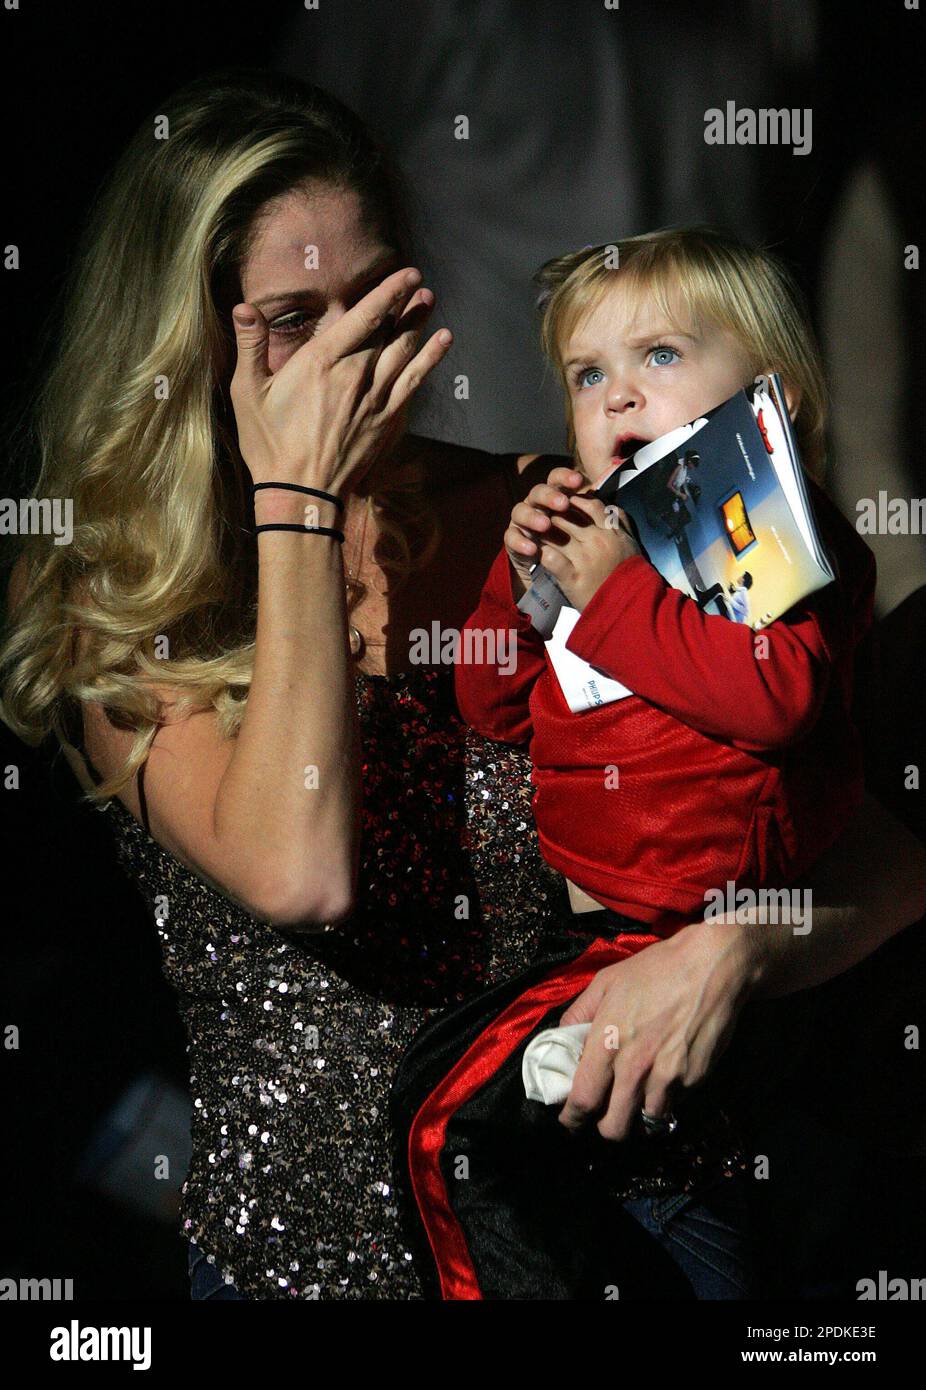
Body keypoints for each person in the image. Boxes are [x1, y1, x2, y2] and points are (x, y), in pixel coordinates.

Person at [1, 70, 924, 1303]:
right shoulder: (112, 586)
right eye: (289, 319)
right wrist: (301, 507)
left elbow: (882, 858)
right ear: (179, 338)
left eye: (373, 306)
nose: (349, 358)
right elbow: (300, 872)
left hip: (610, 1221)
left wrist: (731, 943)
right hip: (302, 1265)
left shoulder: (545, 514)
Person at [391, 228, 901, 1298]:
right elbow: (488, 706)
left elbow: (779, 698)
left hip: (720, 956)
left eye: (659, 356)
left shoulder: (757, 526)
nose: (617, 397)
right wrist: (514, 582)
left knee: (457, 1126)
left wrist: (618, 597)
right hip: (588, 935)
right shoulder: (593, 532)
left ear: (775, 395)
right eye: (588, 373)